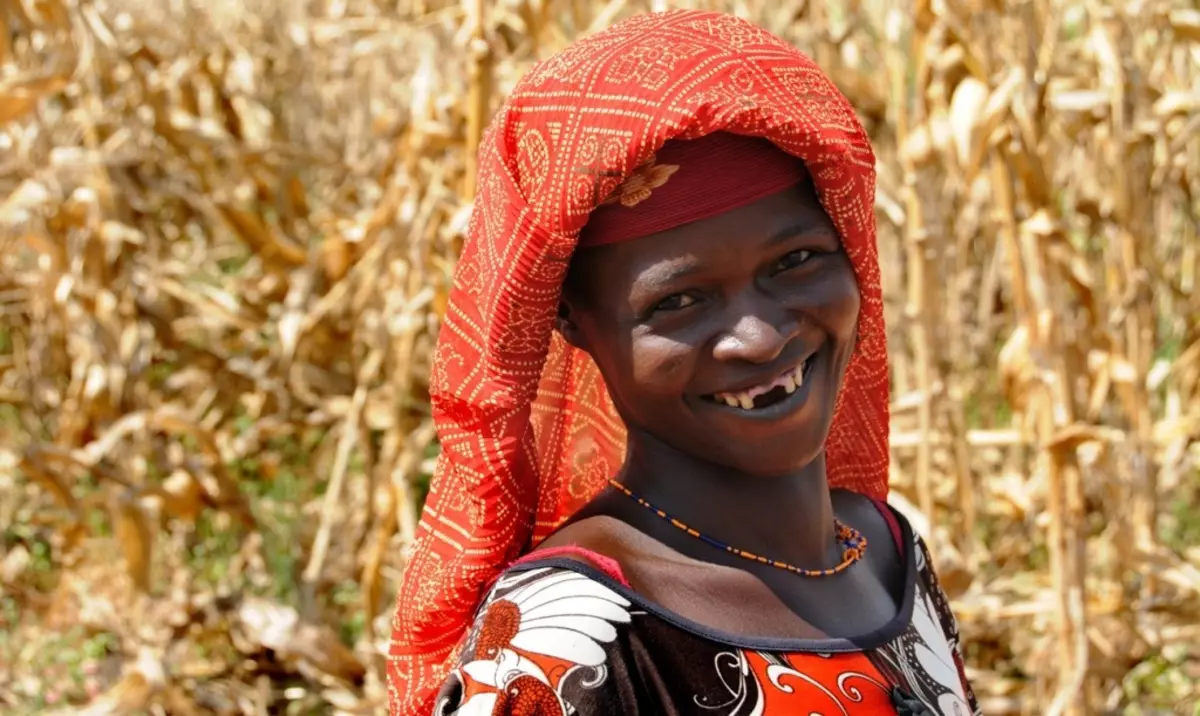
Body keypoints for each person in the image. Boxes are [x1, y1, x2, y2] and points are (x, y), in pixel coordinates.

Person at [388, 9, 979, 715]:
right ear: (572, 321)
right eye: (679, 302)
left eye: (795, 262)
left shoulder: (882, 551)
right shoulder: (563, 642)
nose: (758, 339)